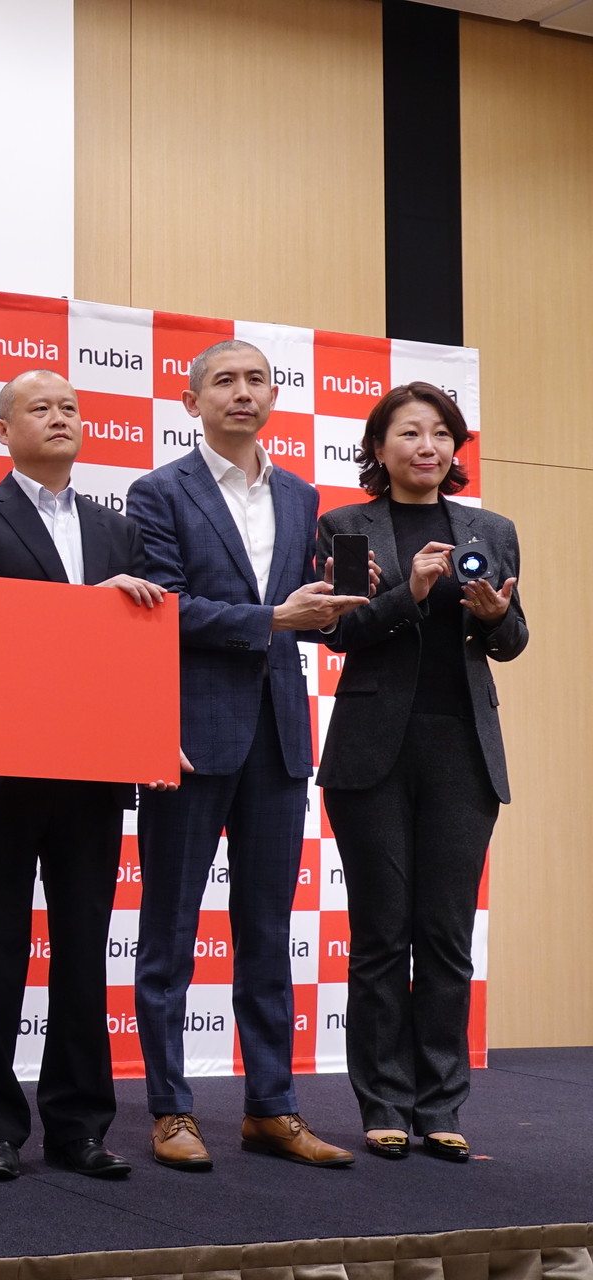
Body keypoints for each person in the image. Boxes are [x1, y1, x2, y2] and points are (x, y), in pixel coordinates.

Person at [124, 340, 365, 1171]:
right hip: (192, 736)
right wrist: (272, 621)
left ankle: (273, 1107)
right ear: (191, 401)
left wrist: (336, 608)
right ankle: (170, 1110)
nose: (242, 392)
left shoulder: (301, 496)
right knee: (170, 932)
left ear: (273, 396)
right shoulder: (158, 491)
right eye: (223, 380)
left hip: (280, 738)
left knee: (267, 932)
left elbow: (309, 612)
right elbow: (163, 609)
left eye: (256, 379)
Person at [0, 369, 173, 1183]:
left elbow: (140, 648)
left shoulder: (119, 530)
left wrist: (153, 733)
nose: (60, 417)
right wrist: (93, 604)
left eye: (70, 406)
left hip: (93, 768)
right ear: (2, 430)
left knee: (82, 952)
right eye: (39, 407)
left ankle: (79, 1125)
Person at [314, 382, 525, 1162]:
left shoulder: (491, 530)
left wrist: (496, 617)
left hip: (463, 752)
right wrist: (412, 591)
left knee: (445, 935)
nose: (426, 446)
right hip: (372, 750)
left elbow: (512, 639)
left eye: (440, 433)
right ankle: (383, 1103)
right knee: (381, 934)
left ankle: (440, 1104)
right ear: (379, 448)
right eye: (408, 432)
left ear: (455, 448)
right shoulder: (346, 525)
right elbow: (339, 632)